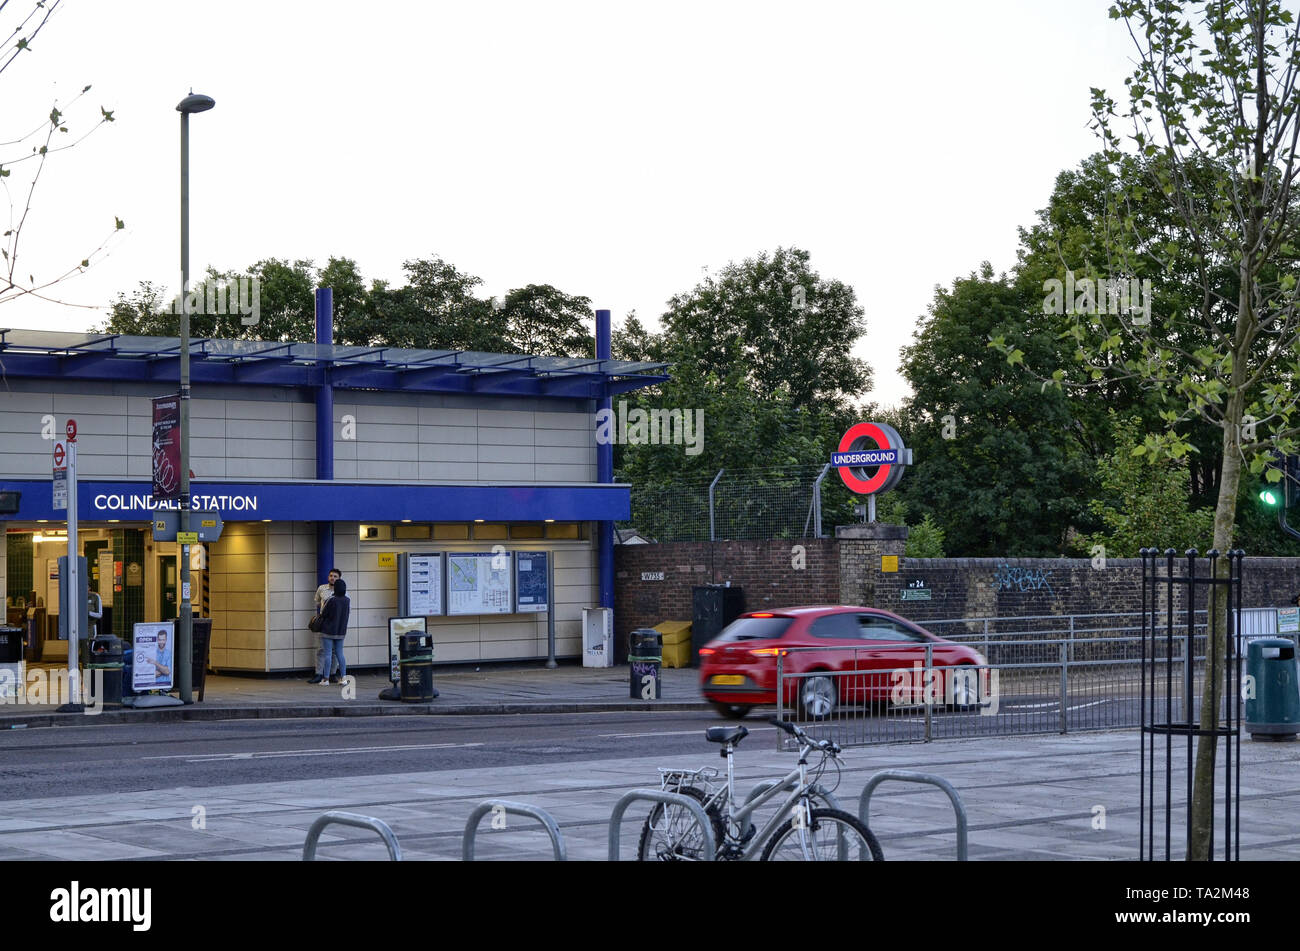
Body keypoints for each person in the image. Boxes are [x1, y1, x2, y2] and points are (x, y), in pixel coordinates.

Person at [310, 578, 350, 685]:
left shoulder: (331, 600)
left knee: (327, 654)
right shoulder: (347, 600)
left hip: (328, 631)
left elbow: (323, 613)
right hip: (341, 631)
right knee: (340, 654)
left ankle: (325, 679)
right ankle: (344, 678)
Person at [312, 568, 342, 683]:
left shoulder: (342, 590)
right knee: (321, 649)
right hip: (324, 623)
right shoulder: (321, 588)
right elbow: (317, 602)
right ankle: (318, 674)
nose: (332, 578)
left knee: (334, 651)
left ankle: (332, 674)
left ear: (339, 579)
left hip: (336, 624)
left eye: (335, 576)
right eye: (331, 576)